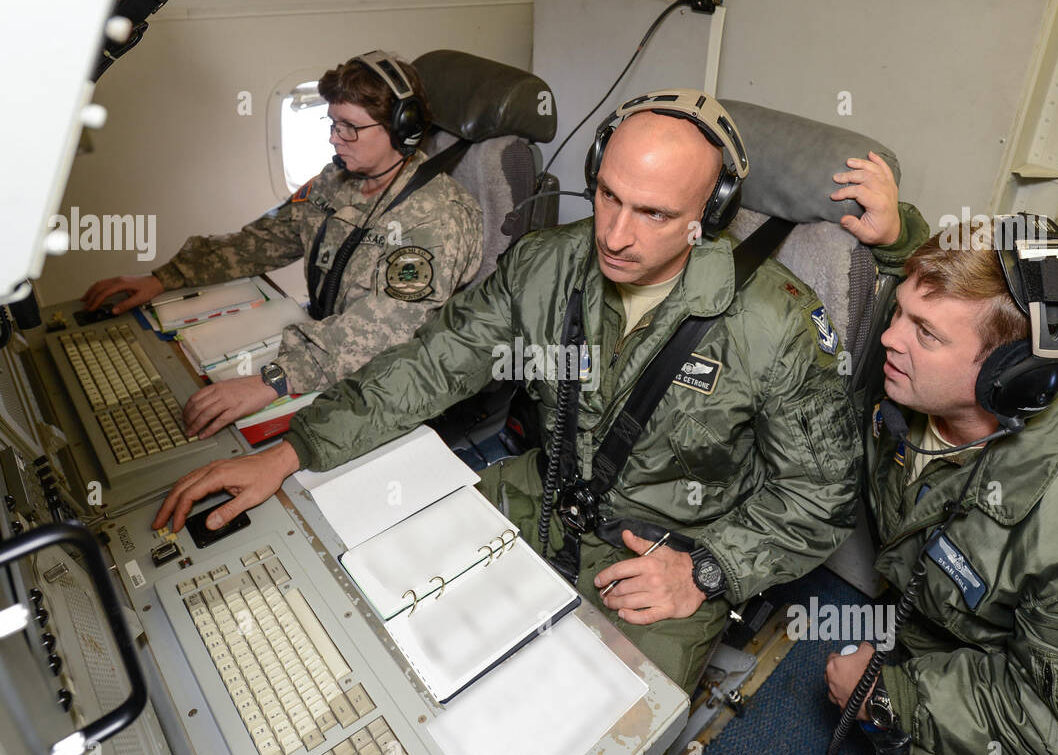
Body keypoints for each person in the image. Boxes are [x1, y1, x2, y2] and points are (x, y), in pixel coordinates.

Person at [153, 90, 927, 693]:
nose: (616, 234)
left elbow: (821, 494)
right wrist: (293, 449)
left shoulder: (777, 323)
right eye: (610, 196)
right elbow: (433, 361)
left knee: (592, 720)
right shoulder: (546, 265)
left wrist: (707, 571)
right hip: (544, 491)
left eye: (655, 214)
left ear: (711, 214)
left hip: (669, 549)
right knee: (380, 609)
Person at [825, 218, 1058, 755]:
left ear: (1014, 376)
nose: (889, 337)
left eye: (925, 332)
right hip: (931, 635)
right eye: (900, 310)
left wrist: (889, 697)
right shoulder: (925, 387)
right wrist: (900, 232)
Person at [81, 51, 483, 439]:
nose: (334, 139)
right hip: (329, 351)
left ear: (402, 129)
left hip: (391, 378)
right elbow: (269, 237)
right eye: (331, 124)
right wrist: (165, 277)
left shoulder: (437, 217)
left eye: (349, 128)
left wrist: (274, 379)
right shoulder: (336, 179)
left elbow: (387, 329)